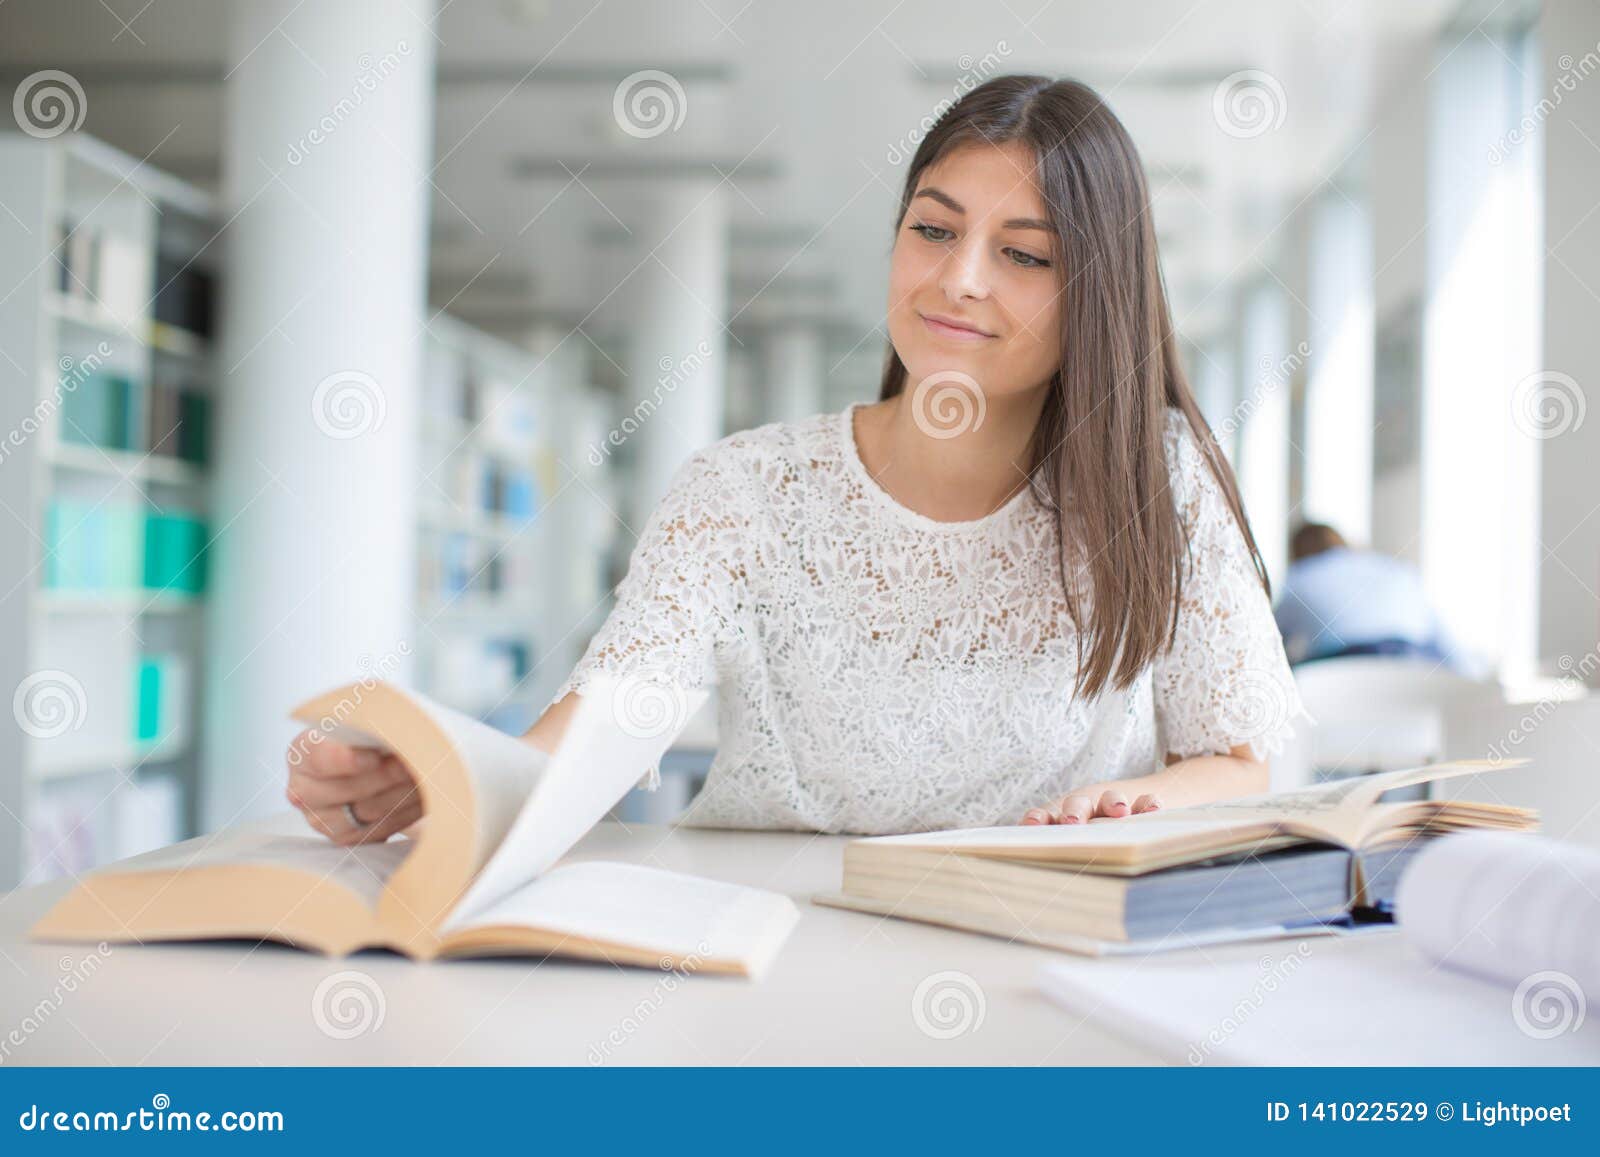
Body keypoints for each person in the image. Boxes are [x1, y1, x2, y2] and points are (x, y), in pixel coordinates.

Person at [284, 74, 1305, 846]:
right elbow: (606, 726)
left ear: (1099, 291)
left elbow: (1243, 760)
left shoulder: (1159, 484)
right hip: (766, 946)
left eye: (1024, 254)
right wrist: (455, 779)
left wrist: (1137, 801)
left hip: (1038, 965)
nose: (958, 279)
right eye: (931, 230)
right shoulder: (744, 489)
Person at [1273, 522, 1463, 669]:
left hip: (1339, 669)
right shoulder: (1398, 569)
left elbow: (1269, 641)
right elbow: (1446, 643)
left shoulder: (1299, 576)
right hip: (1417, 662)